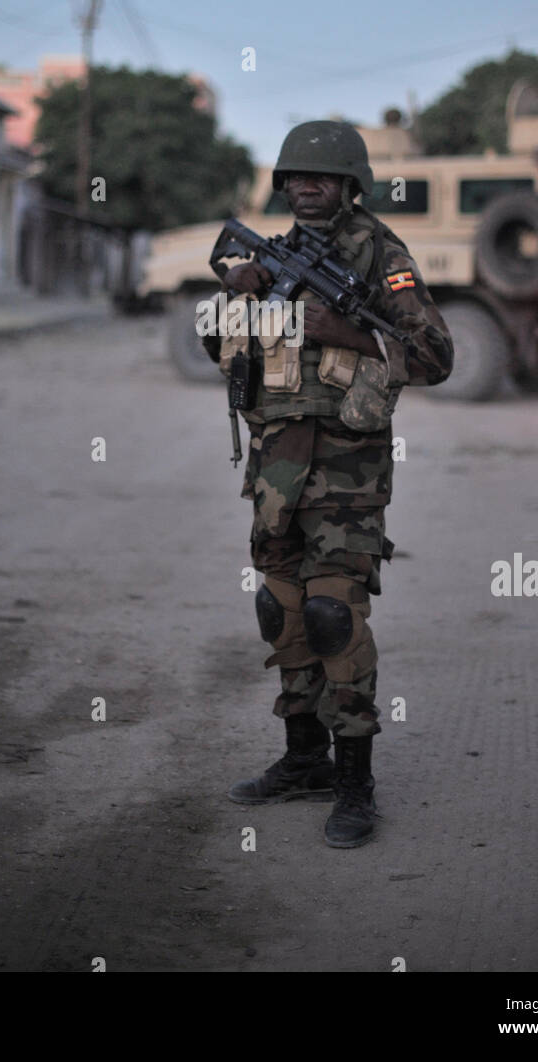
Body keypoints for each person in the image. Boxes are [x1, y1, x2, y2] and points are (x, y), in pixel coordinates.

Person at [210, 121, 454, 848]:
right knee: (280, 608)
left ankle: (355, 785)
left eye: (319, 176)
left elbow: (437, 355)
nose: (304, 186)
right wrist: (236, 290)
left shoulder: (382, 255)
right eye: (293, 176)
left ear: (351, 183)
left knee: (331, 615)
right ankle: (303, 759)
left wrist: (350, 336)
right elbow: (217, 347)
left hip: (347, 473)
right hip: (275, 467)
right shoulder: (274, 255)